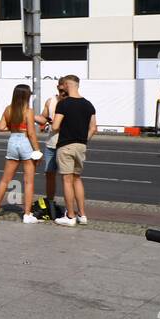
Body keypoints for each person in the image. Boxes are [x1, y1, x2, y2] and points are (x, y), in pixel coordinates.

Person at [0, 83, 43, 224]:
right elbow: (31, 133)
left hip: (12, 141)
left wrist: (13, 127)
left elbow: (1, 127)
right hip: (25, 141)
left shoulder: (8, 109)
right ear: (27, 96)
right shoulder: (28, 111)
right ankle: (27, 215)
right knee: (28, 181)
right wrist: (37, 150)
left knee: (5, 180)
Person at [52, 75, 97, 227]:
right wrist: (83, 139)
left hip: (66, 145)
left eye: (62, 85)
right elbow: (93, 128)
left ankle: (70, 216)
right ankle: (82, 215)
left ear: (66, 85)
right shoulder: (88, 104)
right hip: (81, 145)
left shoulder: (63, 104)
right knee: (77, 179)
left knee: (67, 180)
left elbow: (55, 126)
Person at [33, 79, 68, 220]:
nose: (62, 93)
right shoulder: (51, 101)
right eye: (60, 90)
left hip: (66, 144)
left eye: (64, 90)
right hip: (51, 144)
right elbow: (43, 118)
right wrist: (31, 116)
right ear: (58, 87)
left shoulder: (72, 102)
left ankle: (69, 209)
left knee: (68, 178)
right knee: (49, 174)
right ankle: (50, 202)